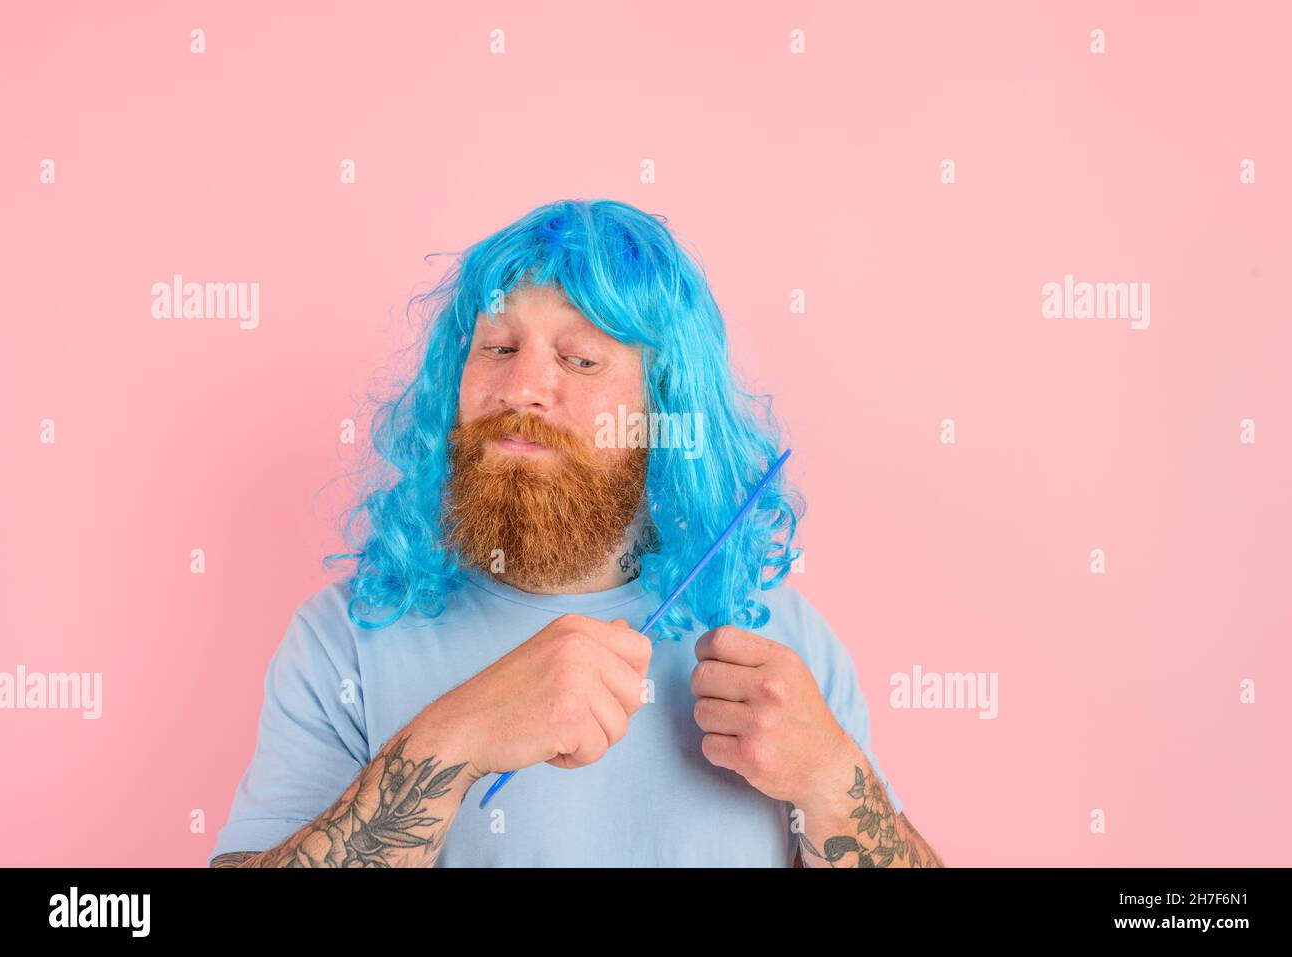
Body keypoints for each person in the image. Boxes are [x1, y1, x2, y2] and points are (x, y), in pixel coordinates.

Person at [208, 199, 942, 868]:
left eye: (580, 357)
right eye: (497, 347)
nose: (521, 385)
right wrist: (451, 739)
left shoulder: (782, 647)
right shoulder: (343, 642)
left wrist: (833, 783)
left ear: (664, 410)